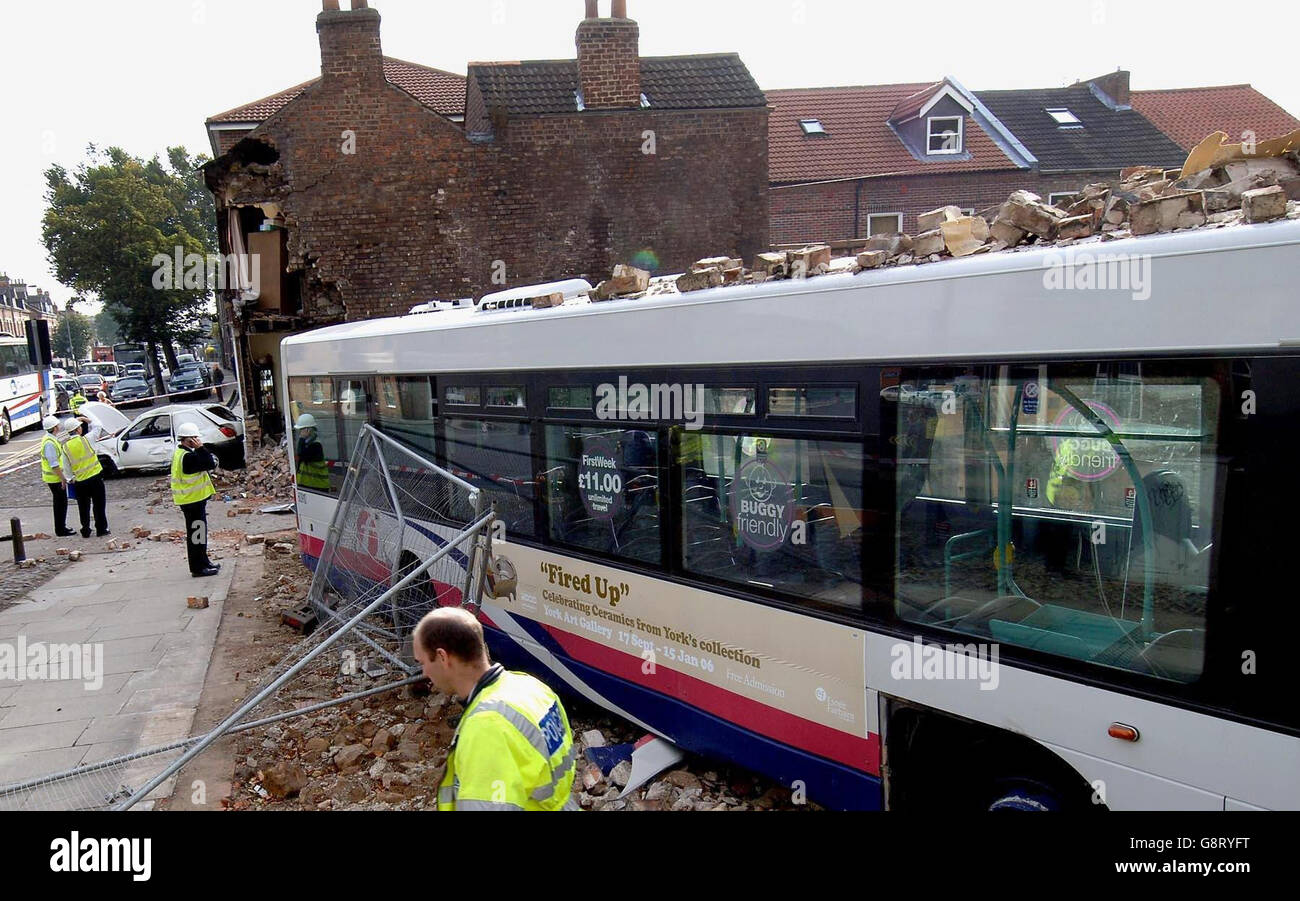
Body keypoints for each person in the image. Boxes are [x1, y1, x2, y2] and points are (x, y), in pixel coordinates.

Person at [414, 607, 577, 811]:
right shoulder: (530, 686)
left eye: (422, 662)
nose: (424, 672)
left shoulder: (487, 726)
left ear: (442, 657)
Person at [172, 422, 220, 578]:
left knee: (199, 534)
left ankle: (204, 561)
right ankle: (198, 567)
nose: (198, 441)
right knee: (197, 535)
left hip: (192, 501)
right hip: (192, 501)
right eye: (195, 438)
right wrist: (200, 448)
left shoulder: (182, 453)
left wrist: (199, 449)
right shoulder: (188, 457)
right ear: (189, 440)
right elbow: (210, 463)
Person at [62, 415, 109, 538]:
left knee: (83, 507)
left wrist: (70, 479)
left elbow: (66, 468)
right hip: (95, 478)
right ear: (78, 429)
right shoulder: (87, 439)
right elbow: (98, 425)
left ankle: (86, 529)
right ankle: (101, 529)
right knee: (99, 505)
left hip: (80, 482)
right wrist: (85, 419)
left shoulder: (66, 447)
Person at [39, 416, 77, 538]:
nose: (59, 427)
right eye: (57, 425)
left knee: (60, 503)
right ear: (54, 427)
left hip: (54, 478)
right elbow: (54, 464)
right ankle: (61, 529)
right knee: (60, 504)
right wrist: (62, 479)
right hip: (55, 479)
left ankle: (61, 527)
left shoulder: (49, 439)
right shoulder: (49, 443)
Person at [294, 413, 330, 491]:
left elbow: (301, 454)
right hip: (308, 484)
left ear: (308, 430)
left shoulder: (316, 445)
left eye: (301, 430)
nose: (300, 433)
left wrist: (301, 438)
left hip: (317, 486)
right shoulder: (309, 442)